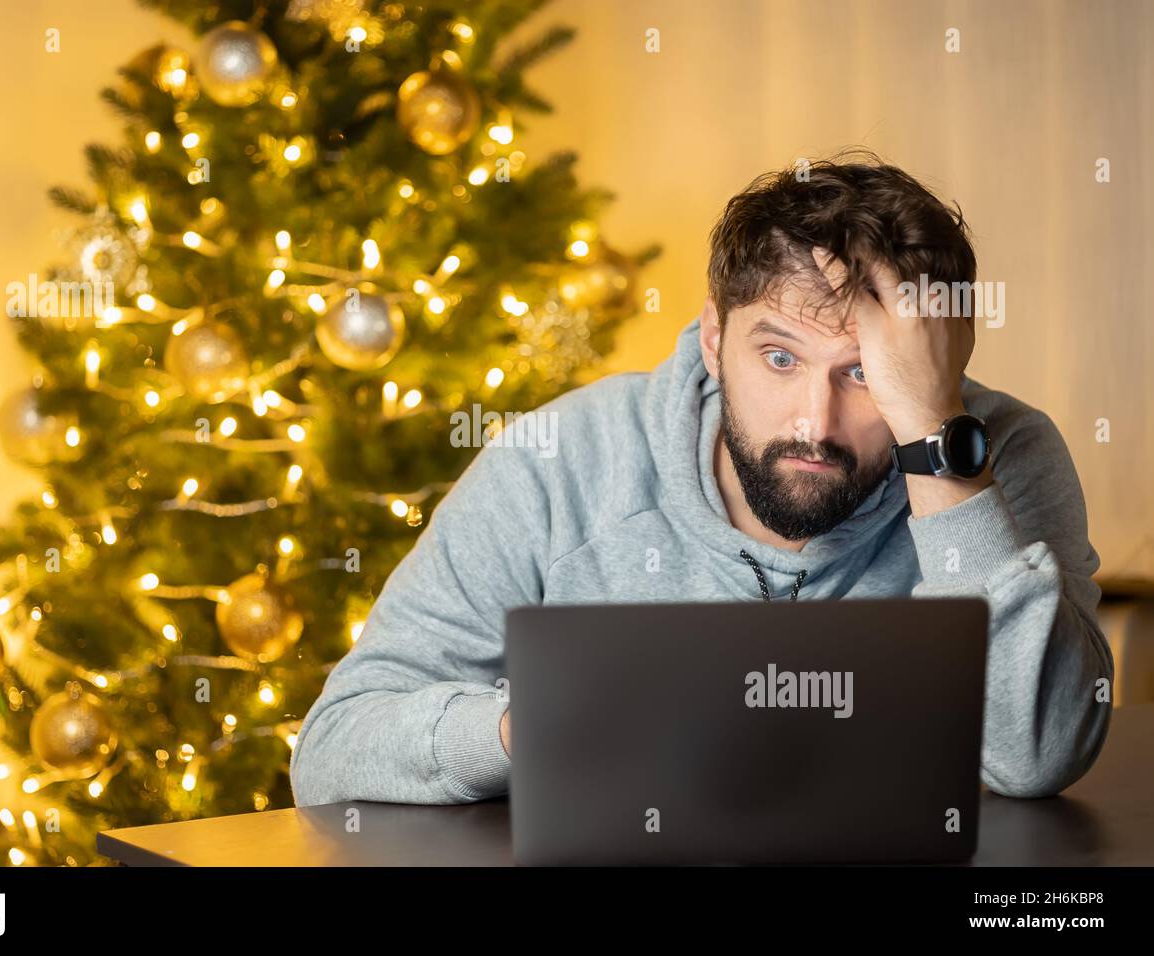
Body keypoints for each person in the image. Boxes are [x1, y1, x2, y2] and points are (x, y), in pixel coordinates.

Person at [289, 152, 1113, 807]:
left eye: (863, 373)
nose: (812, 423)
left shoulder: (996, 453)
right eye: (779, 357)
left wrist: (936, 442)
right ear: (714, 338)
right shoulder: (559, 462)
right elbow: (334, 747)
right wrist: (532, 730)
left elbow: (1038, 752)